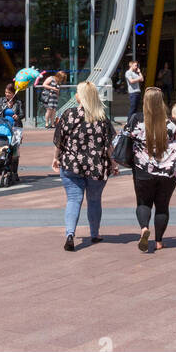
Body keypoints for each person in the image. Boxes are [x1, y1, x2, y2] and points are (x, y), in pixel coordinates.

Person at [51, 81, 115, 250]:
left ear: (81, 97)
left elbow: (59, 140)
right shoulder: (102, 118)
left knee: (73, 199)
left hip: (72, 164)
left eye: (77, 93)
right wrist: (114, 164)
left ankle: (70, 234)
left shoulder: (69, 114)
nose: (75, 96)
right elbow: (109, 146)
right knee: (94, 200)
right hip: (97, 166)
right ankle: (95, 233)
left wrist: (56, 158)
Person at [126, 85, 176, 252]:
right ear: (161, 102)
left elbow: (125, 138)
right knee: (162, 206)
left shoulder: (136, 119)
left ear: (145, 102)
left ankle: (144, 229)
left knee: (143, 203)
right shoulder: (172, 123)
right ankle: (159, 241)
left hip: (143, 170)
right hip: (168, 171)